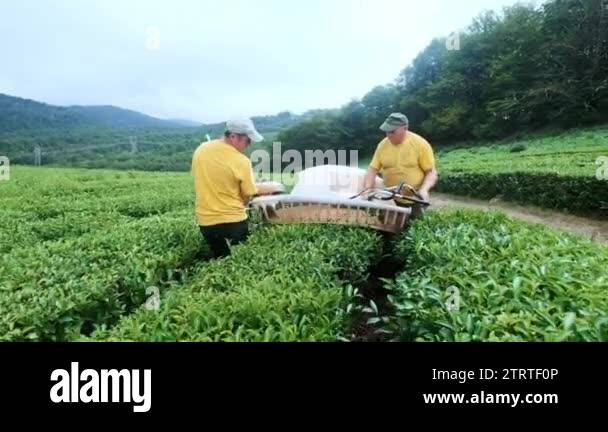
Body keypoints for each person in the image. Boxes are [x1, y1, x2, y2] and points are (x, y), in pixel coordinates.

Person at [191, 117, 277, 258]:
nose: (248, 145)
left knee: (220, 258)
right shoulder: (241, 161)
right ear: (233, 136)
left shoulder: (200, 150)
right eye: (247, 140)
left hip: (206, 224)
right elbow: (247, 195)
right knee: (238, 262)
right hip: (232, 223)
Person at [363, 113, 438, 217]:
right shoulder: (382, 145)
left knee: (414, 228)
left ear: (405, 128)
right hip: (390, 198)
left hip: (413, 199)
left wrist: (424, 190)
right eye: (387, 132)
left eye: (392, 132)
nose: (388, 135)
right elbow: (372, 170)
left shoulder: (420, 144)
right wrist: (367, 190)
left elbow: (431, 172)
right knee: (387, 228)